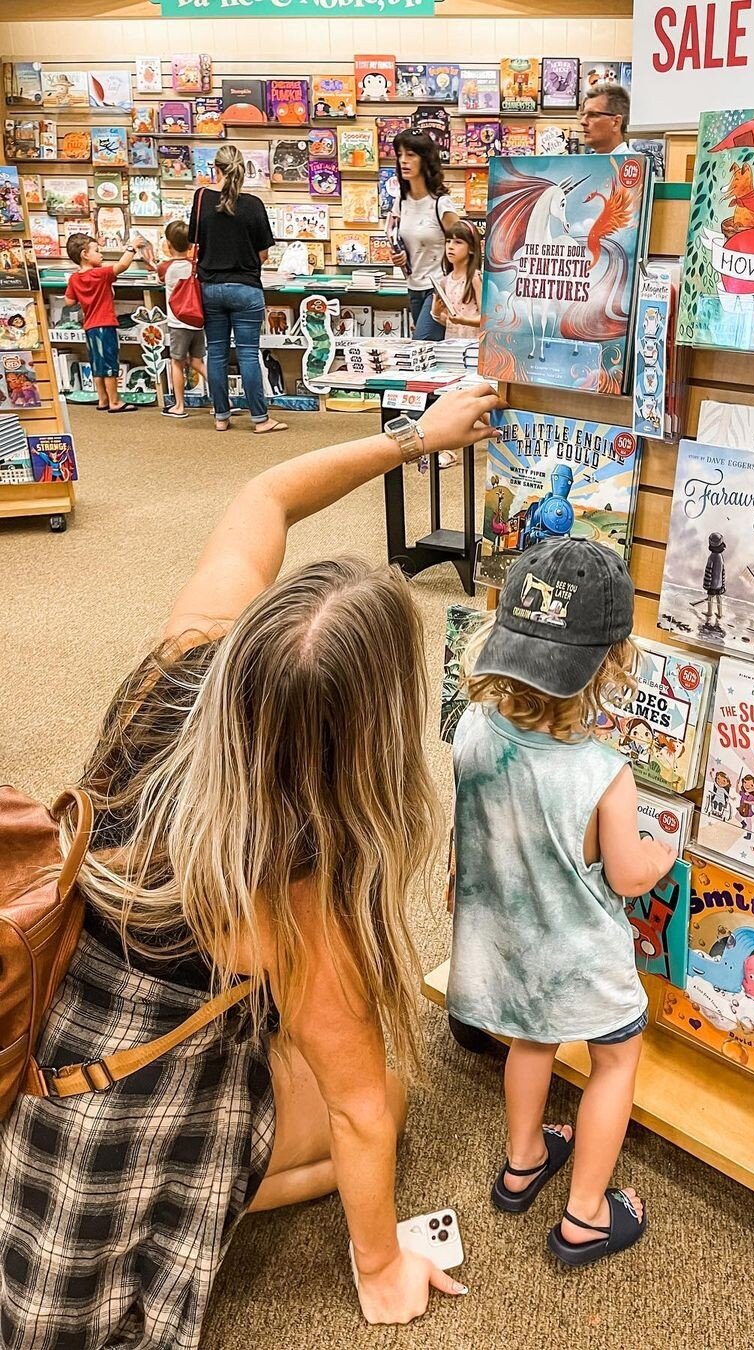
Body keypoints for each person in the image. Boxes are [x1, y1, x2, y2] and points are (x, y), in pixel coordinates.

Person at [0, 385, 504, 1345]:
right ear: (366, 742)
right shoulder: (294, 881)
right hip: (110, 1134)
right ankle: (177, 1207)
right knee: (386, 1098)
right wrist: (384, 1265)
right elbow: (360, 1112)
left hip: (40, 1031)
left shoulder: (176, 661)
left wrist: (415, 438)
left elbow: (265, 499)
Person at [447, 538, 674, 1268]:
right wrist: (665, 851)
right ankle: (584, 1216)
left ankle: (522, 1164)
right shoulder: (605, 772)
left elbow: (468, 826)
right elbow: (631, 875)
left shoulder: (473, 729)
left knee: (529, 1041)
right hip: (580, 955)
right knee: (614, 1061)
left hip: (507, 944)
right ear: (610, 663)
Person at [188, 144, 284, 435]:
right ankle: (260, 419)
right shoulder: (253, 205)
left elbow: (195, 243)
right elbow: (263, 255)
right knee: (248, 353)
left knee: (215, 353)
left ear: (214, 169)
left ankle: (220, 416)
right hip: (246, 288)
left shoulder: (202, 197)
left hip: (210, 287)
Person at [388, 131, 460, 341]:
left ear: (425, 159)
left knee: (421, 345)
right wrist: (398, 257)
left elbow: (466, 244)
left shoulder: (440, 203)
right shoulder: (401, 201)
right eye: (400, 154)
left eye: (411, 154)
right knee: (429, 355)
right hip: (413, 288)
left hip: (438, 288)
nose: (403, 161)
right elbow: (398, 239)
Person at [63, 232, 140, 414]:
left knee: (97, 364)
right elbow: (122, 265)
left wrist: (84, 296)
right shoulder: (100, 274)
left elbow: (69, 302)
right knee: (110, 364)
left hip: (89, 327)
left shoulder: (74, 278)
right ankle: (114, 401)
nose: (101, 254)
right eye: (97, 251)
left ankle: (102, 399)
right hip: (105, 325)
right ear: (85, 255)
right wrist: (132, 247)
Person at [430, 220, 484, 468]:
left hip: (472, 349)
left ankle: (493, 432)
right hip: (451, 347)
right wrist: (436, 311)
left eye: (458, 242)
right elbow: (440, 318)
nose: (451, 247)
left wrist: (462, 319)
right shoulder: (444, 280)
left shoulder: (475, 279)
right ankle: (449, 448)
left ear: (471, 249)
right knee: (453, 395)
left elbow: (486, 319)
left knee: (472, 397)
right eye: (448, 241)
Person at [157, 219, 207, 420]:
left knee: (176, 363)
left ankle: (179, 405)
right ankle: (224, 399)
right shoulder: (196, 266)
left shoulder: (165, 268)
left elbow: (160, 277)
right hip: (197, 320)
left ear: (168, 245)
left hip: (177, 323)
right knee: (198, 361)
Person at [580, 81, 632, 156]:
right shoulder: (582, 165)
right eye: (583, 115)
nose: (583, 121)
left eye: (593, 115)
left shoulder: (635, 165)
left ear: (616, 122)